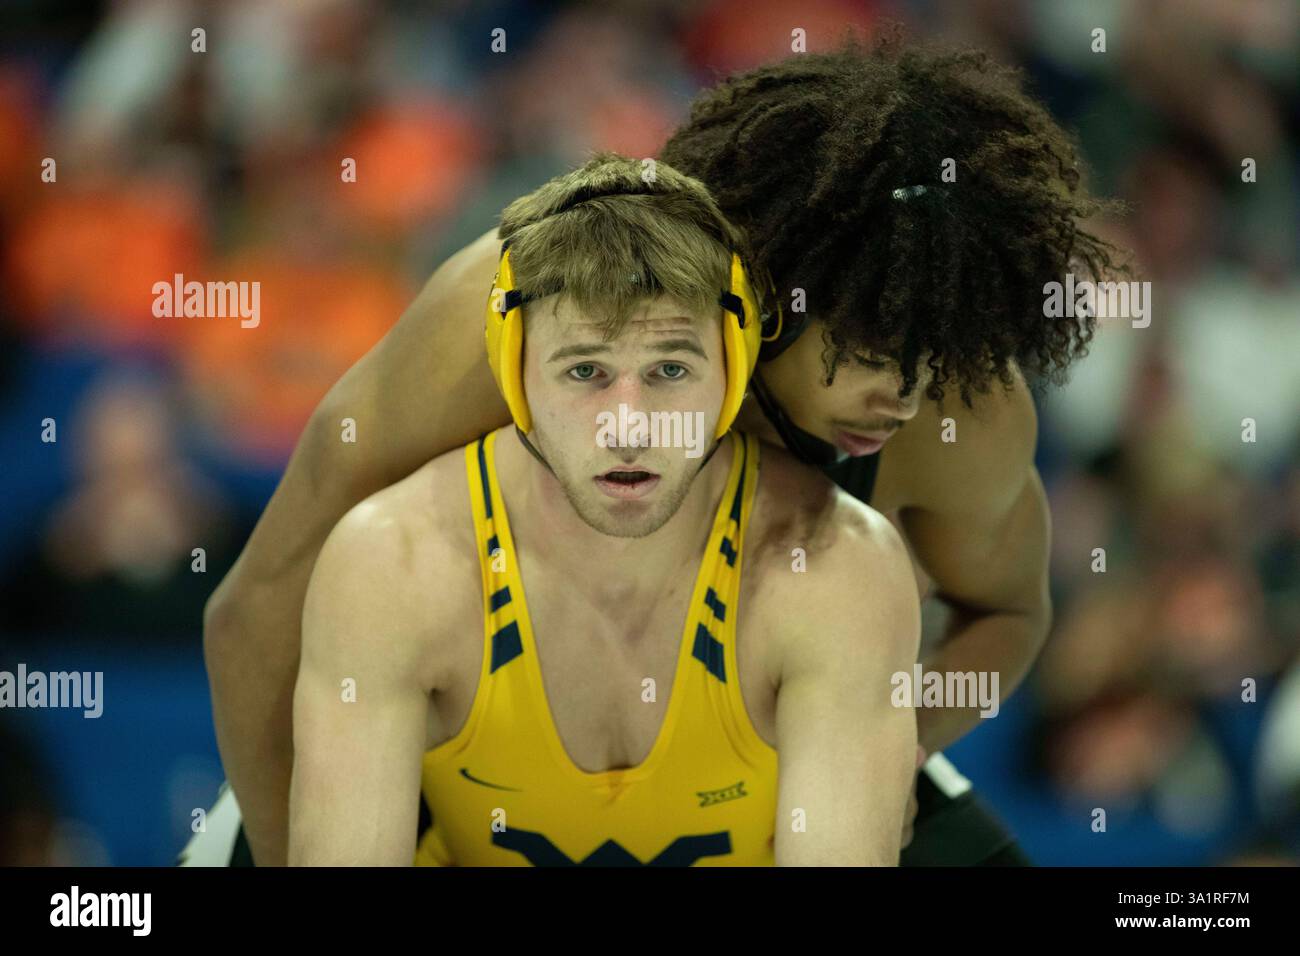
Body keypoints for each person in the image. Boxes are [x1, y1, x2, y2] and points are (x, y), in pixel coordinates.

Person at [203, 38, 1123, 866]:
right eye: (877, 353)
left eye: (939, 355)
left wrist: (881, 740)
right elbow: (251, 618)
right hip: (464, 753)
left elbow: (1006, 612)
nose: (909, 398)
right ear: (768, 295)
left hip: (746, 754)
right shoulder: (529, 309)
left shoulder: (961, 415)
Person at [283, 154, 918, 865]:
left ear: (734, 371)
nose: (629, 426)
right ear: (514, 369)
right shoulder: (393, 563)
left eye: (669, 371)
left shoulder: (838, 568)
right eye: (585, 371)